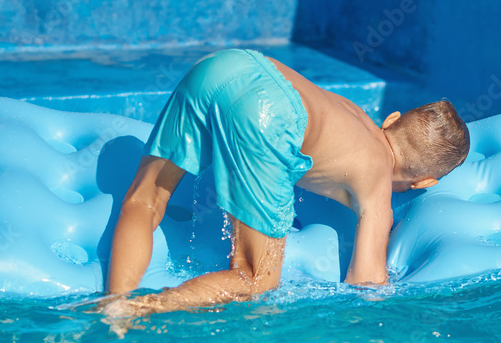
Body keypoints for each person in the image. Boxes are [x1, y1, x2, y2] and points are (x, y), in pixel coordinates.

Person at [101, 48, 469, 323]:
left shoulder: (354, 112)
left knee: (144, 200)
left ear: (391, 119)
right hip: (270, 114)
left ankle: (110, 302)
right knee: (255, 279)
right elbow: (367, 284)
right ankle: (133, 309)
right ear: (425, 181)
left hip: (228, 63)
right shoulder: (378, 181)